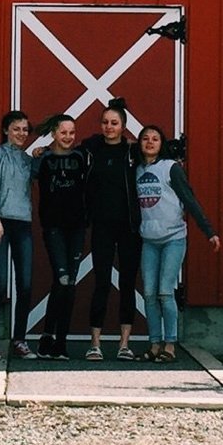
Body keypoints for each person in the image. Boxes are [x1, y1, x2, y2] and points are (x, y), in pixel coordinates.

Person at [134, 123, 221, 360]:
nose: (150, 142)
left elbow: (189, 200)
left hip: (173, 238)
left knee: (165, 291)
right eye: (145, 139)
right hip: (149, 240)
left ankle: (170, 345)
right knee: (149, 293)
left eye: (155, 138)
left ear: (162, 144)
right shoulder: (138, 170)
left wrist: (209, 231)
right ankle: (154, 344)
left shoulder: (170, 168)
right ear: (139, 144)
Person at [81, 99, 141, 360]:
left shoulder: (132, 153)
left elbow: (159, 155)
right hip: (102, 226)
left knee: (127, 283)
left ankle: (124, 344)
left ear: (124, 127)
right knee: (102, 283)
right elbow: (67, 149)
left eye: (114, 123)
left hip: (128, 227)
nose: (109, 127)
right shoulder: (92, 149)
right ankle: (95, 343)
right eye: (105, 122)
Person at [31, 112, 91, 358]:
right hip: (53, 227)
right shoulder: (42, 158)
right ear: (54, 133)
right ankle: (48, 335)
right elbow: (23, 177)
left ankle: (58, 342)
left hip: (77, 226)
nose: (68, 137)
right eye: (63, 132)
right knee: (63, 278)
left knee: (68, 283)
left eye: (72, 132)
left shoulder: (81, 157)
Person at [0, 109, 37, 361]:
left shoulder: (27, 160)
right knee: (0, 282)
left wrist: (39, 156)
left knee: (25, 284)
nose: (21, 134)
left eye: (25, 130)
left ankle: (20, 340)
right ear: (6, 130)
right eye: (16, 129)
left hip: (22, 222)